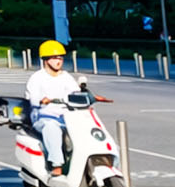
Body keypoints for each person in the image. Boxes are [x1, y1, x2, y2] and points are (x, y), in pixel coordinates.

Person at [25, 41, 112, 178]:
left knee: (90, 127)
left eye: (60, 57)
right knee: (51, 128)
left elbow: (75, 94)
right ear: (46, 60)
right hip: (45, 117)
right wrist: (43, 100)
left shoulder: (66, 77)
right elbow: (33, 99)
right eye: (55, 58)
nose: (58, 61)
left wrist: (91, 97)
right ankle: (57, 165)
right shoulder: (37, 78)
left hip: (67, 117)